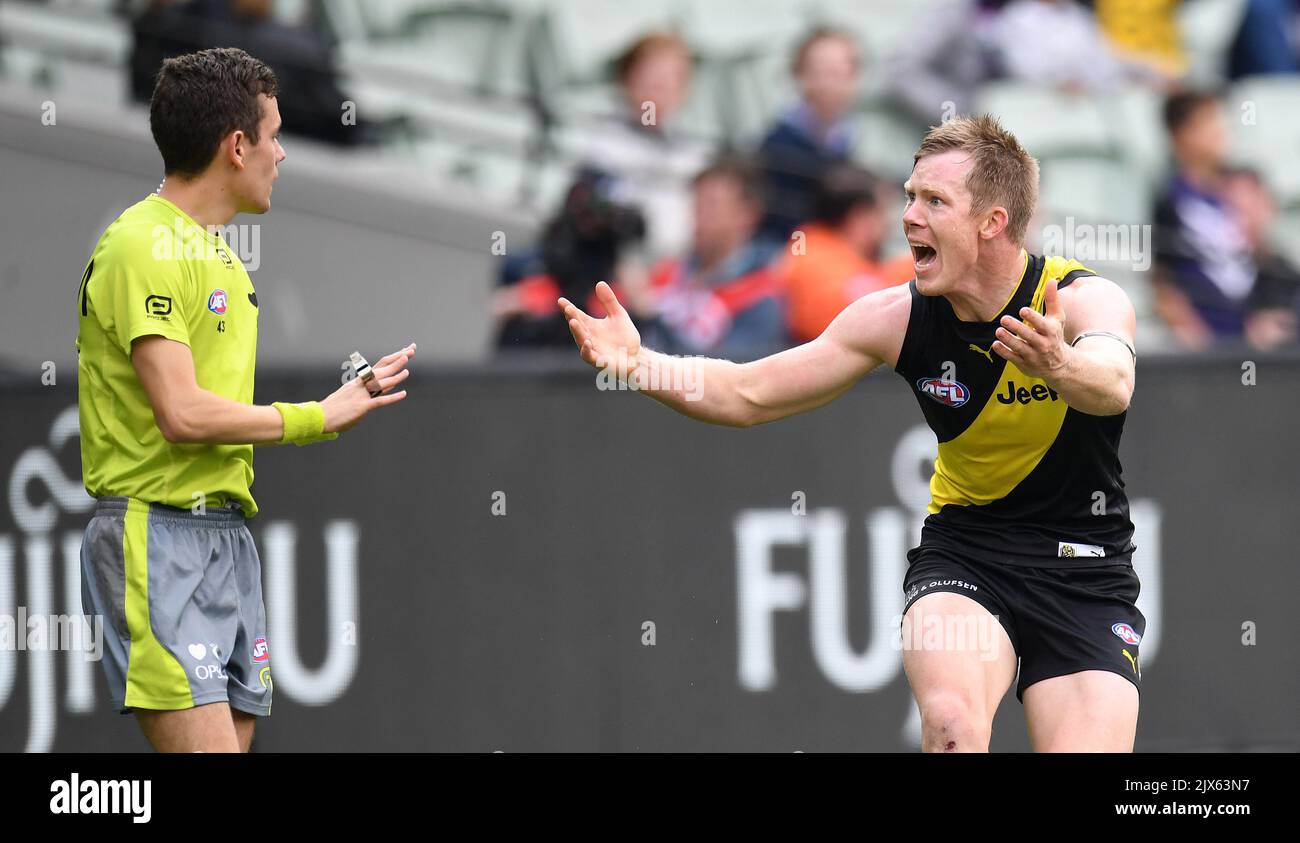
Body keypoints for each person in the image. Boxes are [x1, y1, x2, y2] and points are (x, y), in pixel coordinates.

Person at [560, 115, 1145, 752]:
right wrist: (638, 364)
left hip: (1086, 573)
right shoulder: (895, 318)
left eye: (935, 201)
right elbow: (746, 393)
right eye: (909, 196)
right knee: (951, 725)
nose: (910, 218)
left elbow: (1114, 384)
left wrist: (1057, 363)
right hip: (969, 554)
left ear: (992, 222)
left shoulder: (1084, 300)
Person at [76, 48, 414, 752]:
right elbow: (183, 413)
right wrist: (317, 417)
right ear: (237, 146)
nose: (282, 153)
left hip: (225, 539)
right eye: (275, 133)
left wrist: (339, 401)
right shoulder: (142, 245)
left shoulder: (225, 255)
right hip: (156, 535)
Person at [634, 157, 786, 360]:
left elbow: (726, 378)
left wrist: (651, 317)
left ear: (747, 215)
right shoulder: (668, 271)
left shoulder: (761, 298)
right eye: (696, 204)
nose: (698, 216)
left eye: (711, 205)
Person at [776, 164, 913, 343]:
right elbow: (869, 314)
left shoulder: (813, 244)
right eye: (882, 212)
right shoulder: (814, 257)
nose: (888, 223)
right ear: (859, 217)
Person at [756, 28, 862, 243]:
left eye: (840, 72)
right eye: (821, 71)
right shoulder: (778, 146)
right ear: (800, 75)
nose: (830, 83)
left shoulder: (848, 140)